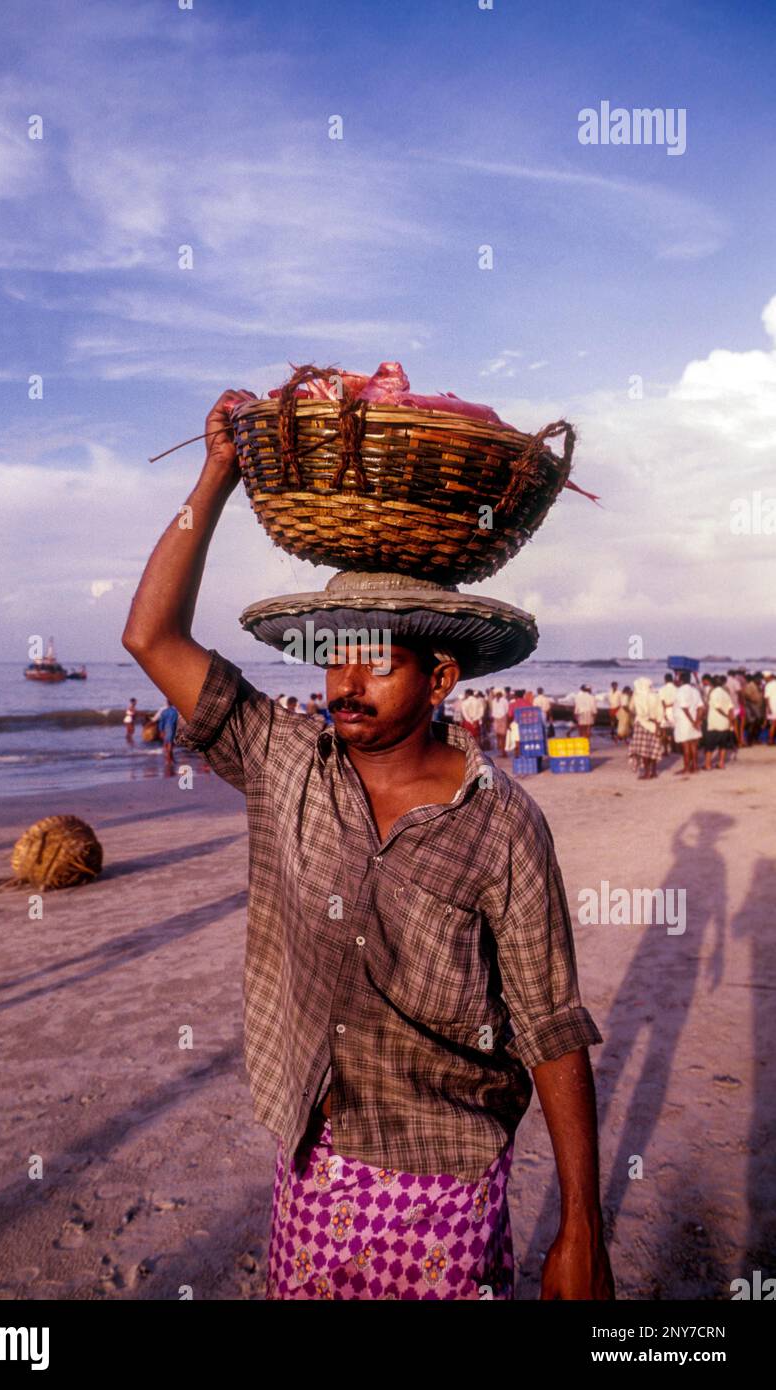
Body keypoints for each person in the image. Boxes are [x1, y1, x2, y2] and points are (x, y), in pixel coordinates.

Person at [121, 387, 613, 1303]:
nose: (344, 683)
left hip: (446, 1177)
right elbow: (150, 635)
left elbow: (551, 1024)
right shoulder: (283, 760)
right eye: (333, 656)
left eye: (374, 660)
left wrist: (582, 1225)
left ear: (441, 676)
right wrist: (218, 471)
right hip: (312, 1159)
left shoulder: (502, 825)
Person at [627, 677, 662, 780]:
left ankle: (646, 773)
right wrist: (658, 725)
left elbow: (630, 708)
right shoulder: (655, 695)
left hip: (641, 724)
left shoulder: (637, 696)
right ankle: (654, 771)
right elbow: (660, 712)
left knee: (643, 750)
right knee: (652, 748)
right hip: (654, 724)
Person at [672, 671, 703, 775]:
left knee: (686, 746)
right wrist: (697, 721)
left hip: (684, 721)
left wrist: (692, 721)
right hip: (694, 720)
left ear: (681, 680)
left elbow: (684, 708)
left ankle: (686, 768)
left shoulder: (680, 691)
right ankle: (694, 766)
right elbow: (700, 707)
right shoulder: (695, 691)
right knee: (693, 745)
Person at [702, 676, 735, 771]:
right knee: (722, 745)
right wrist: (730, 719)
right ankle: (721, 763)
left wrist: (725, 715)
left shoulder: (714, 693)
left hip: (714, 723)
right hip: (724, 724)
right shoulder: (725, 693)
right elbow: (730, 708)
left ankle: (707, 765)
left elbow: (716, 707)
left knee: (710, 746)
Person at [658, 672, 677, 755]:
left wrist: (664, 711)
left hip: (665, 710)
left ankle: (665, 750)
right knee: (674, 730)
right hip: (675, 710)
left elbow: (661, 702)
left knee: (664, 732)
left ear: (665, 680)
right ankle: (674, 748)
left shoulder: (662, 689)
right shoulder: (676, 689)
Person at [157, 702, 180, 766]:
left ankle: (169, 759)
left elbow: (161, 721)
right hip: (172, 727)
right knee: (170, 744)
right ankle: (169, 759)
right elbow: (176, 722)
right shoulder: (175, 712)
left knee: (166, 743)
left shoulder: (164, 712)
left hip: (165, 728)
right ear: (172, 704)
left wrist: (161, 730)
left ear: (167, 704)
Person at [489, 688, 510, 757]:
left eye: (499, 694)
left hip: (503, 718)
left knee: (503, 735)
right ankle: (501, 750)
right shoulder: (494, 701)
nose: (497, 695)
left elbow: (507, 710)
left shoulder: (504, 701)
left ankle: (503, 752)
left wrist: (507, 721)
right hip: (496, 718)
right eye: (496, 694)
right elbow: (493, 710)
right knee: (498, 735)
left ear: (501, 694)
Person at [764, 671, 776, 745]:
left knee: (773, 724)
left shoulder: (768, 685)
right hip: (773, 706)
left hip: (772, 706)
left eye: (766, 678)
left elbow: (766, 698)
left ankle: (770, 740)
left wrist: (768, 708)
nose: (765, 679)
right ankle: (770, 740)